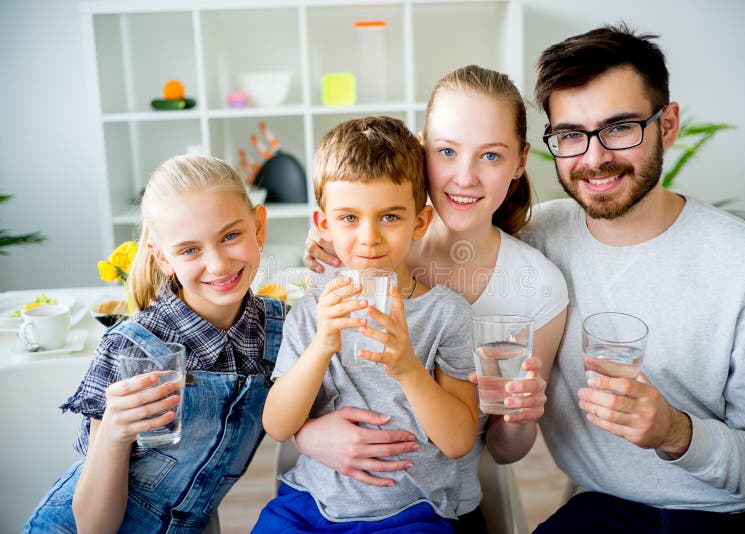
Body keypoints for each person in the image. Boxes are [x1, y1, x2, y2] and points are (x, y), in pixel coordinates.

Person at [519, 24, 745, 531]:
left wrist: (676, 433)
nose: (595, 157)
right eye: (570, 135)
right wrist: (331, 252)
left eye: (620, 127)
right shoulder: (535, 239)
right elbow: (428, 233)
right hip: (605, 508)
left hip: (738, 512)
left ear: (666, 125)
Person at [301, 65, 568, 531]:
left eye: (490, 156)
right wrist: (307, 437)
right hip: (333, 497)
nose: (464, 177)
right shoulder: (357, 253)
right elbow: (300, 387)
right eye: (446, 151)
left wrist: (521, 416)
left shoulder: (539, 288)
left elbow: (504, 452)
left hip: (436, 505)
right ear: (422, 147)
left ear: (520, 161)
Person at [24, 154, 285, 533]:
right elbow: (93, 526)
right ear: (163, 258)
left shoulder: (279, 328)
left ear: (258, 226)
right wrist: (114, 430)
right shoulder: (130, 347)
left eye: (231, 236)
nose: (217, 264)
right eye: (189, 250)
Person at [252, 116, 478, 533]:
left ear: (420, 222)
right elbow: (278, 426)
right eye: (349, 218)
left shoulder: (446, 314)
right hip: (310, 505)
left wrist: (408, 367)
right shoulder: (312, 311)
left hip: (412, 512)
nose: (369, 237)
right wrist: (322, 345)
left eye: (390, 217)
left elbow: (460, 440)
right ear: (324, 225)